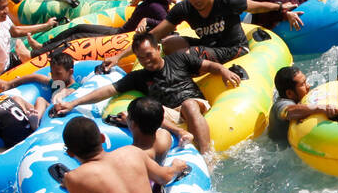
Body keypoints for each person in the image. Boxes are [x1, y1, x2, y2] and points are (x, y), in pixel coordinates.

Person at [54, 31, 237, 156]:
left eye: (149, 55)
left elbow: (208, 65)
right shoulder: (139, 77)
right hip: (168, 114)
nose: (146, 61)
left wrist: (223, 71)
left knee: (189, 105)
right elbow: (108, 90)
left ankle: (207, 155)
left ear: (158, 49)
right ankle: (180, 133)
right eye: (141, 58)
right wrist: (73, 103)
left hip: (194, 104)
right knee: (147, 108)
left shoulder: (179, 58)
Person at [150, 0, 297, 63]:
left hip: (235, 48)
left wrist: (281, 7)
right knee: (169, 43)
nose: (197, 0)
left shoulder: (229, 0)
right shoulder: (184, 8)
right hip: (208, 46)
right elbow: (156, 34)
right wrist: (134, 50)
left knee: (191, 55)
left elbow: (256, 7)